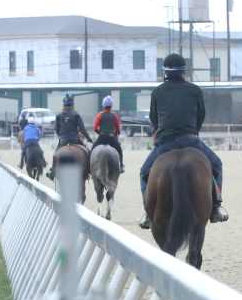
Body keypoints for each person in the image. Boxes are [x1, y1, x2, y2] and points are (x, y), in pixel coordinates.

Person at [138, 53, 228, 228]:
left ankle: (148, 213)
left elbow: (153, 118)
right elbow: (201, 115)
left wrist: (160, 130)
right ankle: (216, 206)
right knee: (217, 165)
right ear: (183, 71)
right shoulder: (194, 90)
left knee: (144, 173)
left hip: (165, 142)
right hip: (190, 140)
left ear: (165, 72)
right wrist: (193, 131)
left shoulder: (157, 91)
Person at [46, 94, 91, 180]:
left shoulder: (59, 115)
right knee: (87, 152)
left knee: (55, 155)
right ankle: (89, 171)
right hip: (75, 140)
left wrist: (61, 136)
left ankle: (52, 172)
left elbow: (56, 129)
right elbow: (82, 129)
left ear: (64, 104)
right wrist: (88, 138)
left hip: (63, 141)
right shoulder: (76, 114)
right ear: (72, 104)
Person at [92, 96, 125, 172]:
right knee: (119, 150)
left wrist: (100, 133)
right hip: (111, 138)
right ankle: (121, 165)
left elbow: (95, 128)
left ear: (103, 105)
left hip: (102, 138)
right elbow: (117, 128)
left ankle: (88, 166)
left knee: (92, 149)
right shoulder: (114, 115)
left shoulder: (99, 115)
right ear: (111, 105)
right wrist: (116, 134)